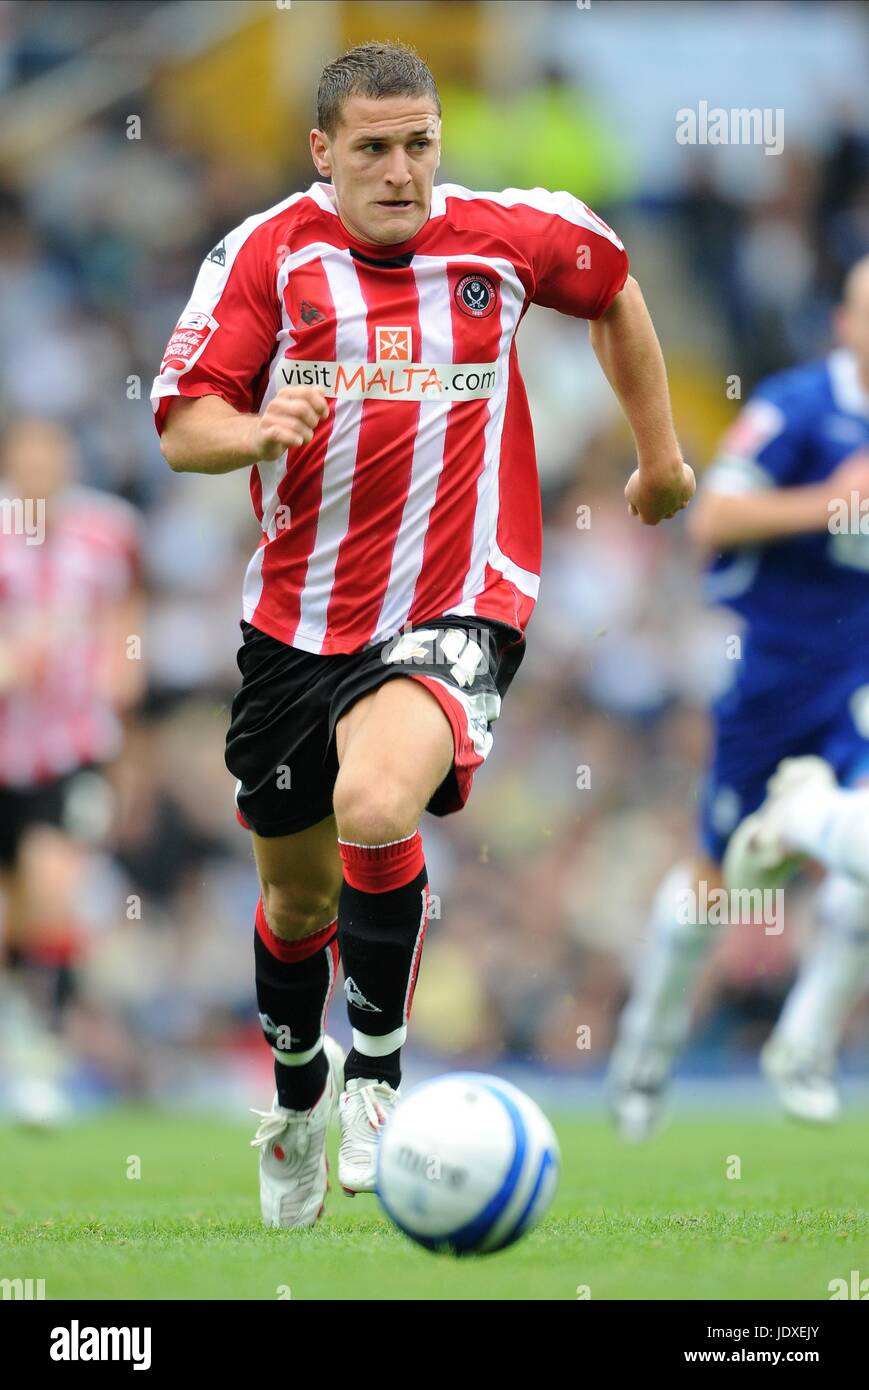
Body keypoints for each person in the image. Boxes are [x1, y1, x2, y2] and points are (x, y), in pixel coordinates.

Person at [150, 40, 694, 1228]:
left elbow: (614, 291)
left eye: (418, 145)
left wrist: (657, 454)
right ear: (321, 153)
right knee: (295, 906)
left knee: (378, 804)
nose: (401, 173)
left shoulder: (510, 235)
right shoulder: (261, 256)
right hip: (294, 622)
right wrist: (250, 431)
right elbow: (183, 425)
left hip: (459, 598)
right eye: (373, 150)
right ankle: (297, 1096)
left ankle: (380, 1076)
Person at [609, 257, 869, 1139]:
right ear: (842, 324)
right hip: (777, 670)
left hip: (862, 673)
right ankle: (645, 1046)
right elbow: (713, 515)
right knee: (715, 885)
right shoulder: (799, 407)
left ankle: (802, 1046)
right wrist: (827, 504)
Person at [0, 416, 143, 1124]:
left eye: (52, 453)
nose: (41, 468)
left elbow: (124, 610)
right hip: (5, 744)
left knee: (56, 885)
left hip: (71, 745)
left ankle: (44, 1060)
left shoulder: (107, 529)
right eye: (27, 456)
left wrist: (123, 666)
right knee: (12, 915)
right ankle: (22, 1033)